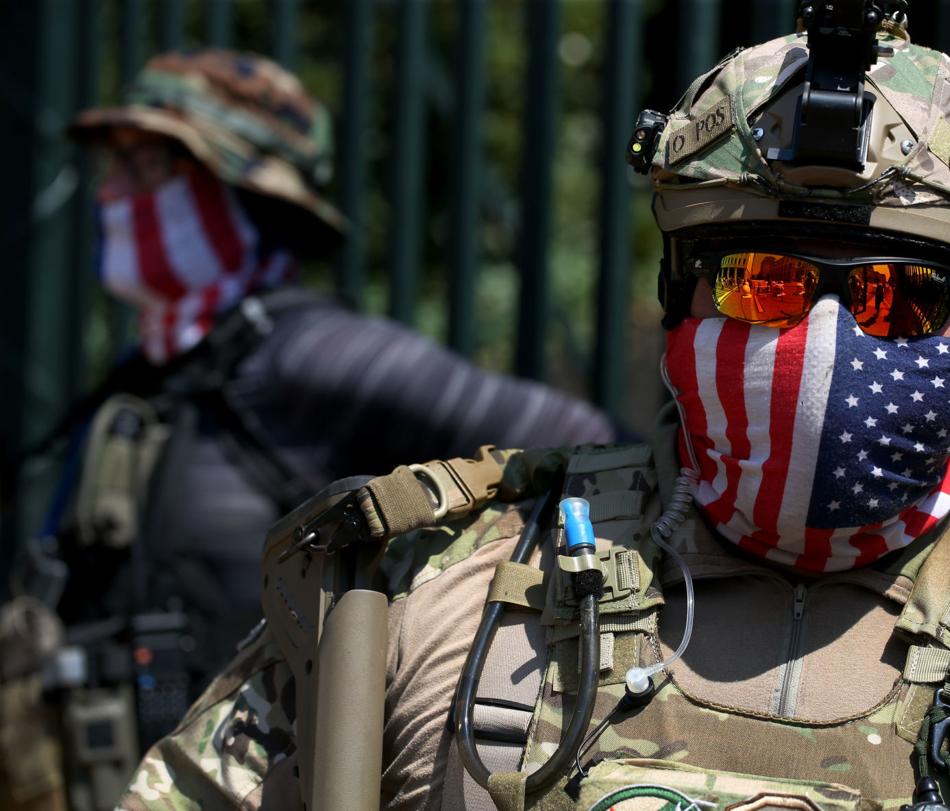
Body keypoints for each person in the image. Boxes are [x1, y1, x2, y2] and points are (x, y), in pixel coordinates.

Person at [117, 10, 950, 811]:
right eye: (763, 284)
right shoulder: (420, 603)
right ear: (677, 303)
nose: (826, 342)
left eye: (898, 297)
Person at [1, 50, 621, 811]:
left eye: (148, 165)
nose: (109, 191)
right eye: (113, 165)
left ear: (243, 192)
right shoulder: (159, 367)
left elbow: (585, 450)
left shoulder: (310, 356)